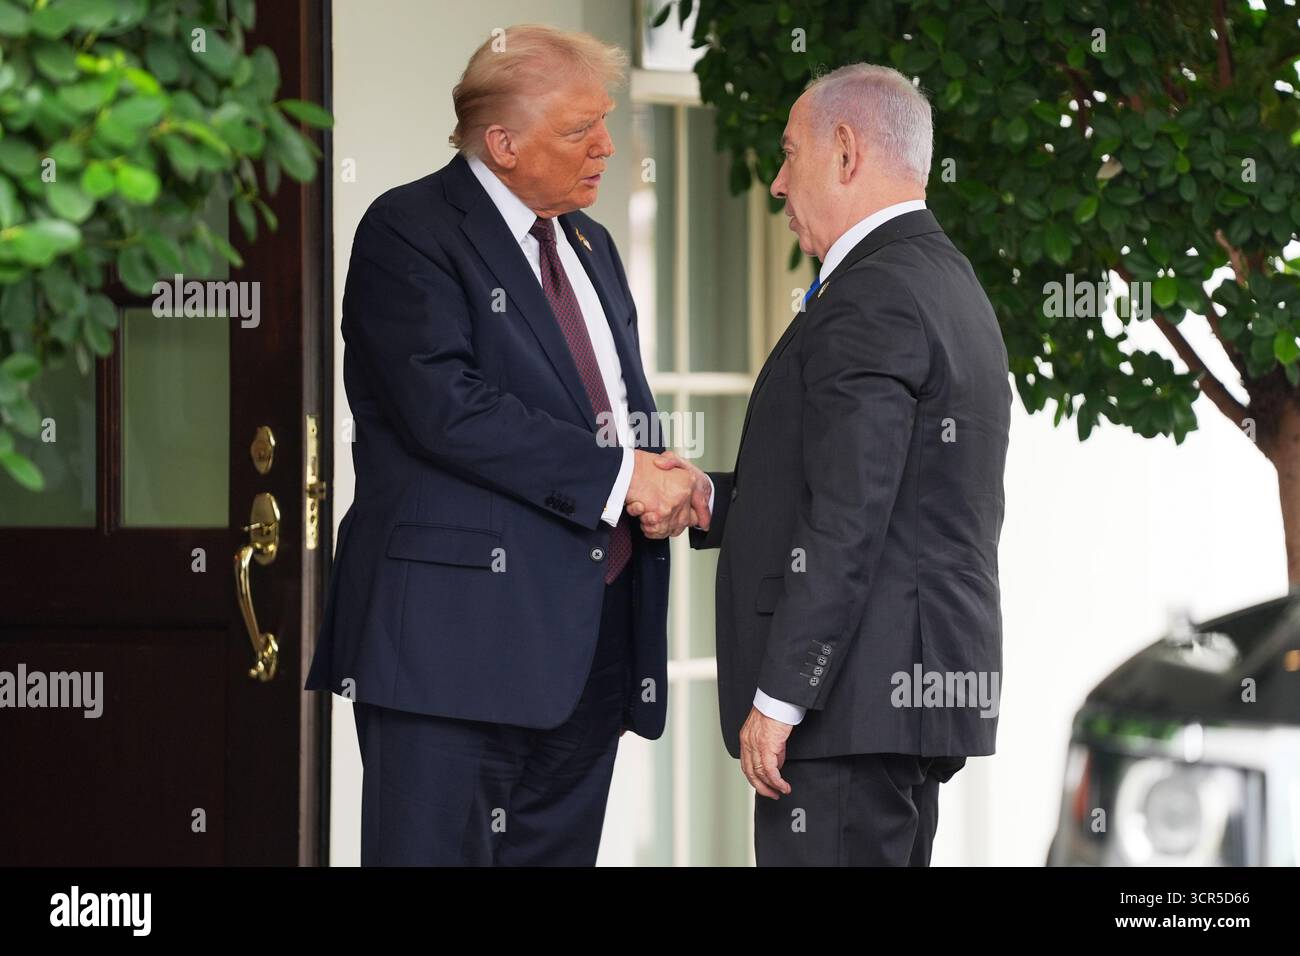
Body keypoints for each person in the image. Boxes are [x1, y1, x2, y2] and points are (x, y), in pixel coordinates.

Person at [305, 25, 697, 866]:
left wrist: (658, 474)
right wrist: (622, 479)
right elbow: (449, 410)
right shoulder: (407, 229)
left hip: (588, 645)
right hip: (453, 655)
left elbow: (617, 409)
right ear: (503, 143)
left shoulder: (588, 243)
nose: (606, 147)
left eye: (606, 122)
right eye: (578, 131)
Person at [646, 63, 1012, 866]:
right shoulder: (947, 281)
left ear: (844, 151)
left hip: (846, 709)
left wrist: (782, 699)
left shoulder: (872, 293)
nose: (777, 183)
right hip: (901, 699)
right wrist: (708, 496)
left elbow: (848, 518)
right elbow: (871, 489)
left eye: (788, 154)